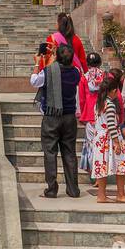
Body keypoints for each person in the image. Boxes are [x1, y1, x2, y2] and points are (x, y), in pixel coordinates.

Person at [30, 42, 82, 198]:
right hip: (69, 117)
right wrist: (57, 56)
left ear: (56, 56)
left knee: (50, 153)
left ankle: (52, 189)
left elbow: (34, 81)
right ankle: (73, 189)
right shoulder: (76, 72)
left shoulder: (48, 71)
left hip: (52, 117)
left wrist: (36, 63)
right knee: (69, 153)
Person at [92, 71, 125, 203]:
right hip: (110, 139)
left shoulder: (99, 104)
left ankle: (101, 195)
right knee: (121, 166)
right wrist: (117, 142)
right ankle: (120, 194)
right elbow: (111, 125)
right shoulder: (110, 105)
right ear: (112, 91)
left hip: (100, 139)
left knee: (102, 166)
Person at [78, 51, 105, 177]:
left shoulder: (84, 77)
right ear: (99, 62)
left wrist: (81, 114)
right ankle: (101, 172)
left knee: (91, 143)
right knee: (101, 143)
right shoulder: (105, 76)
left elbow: (81, 98)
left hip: (89, 113)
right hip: (102, 112)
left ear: (87, 63)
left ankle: (93, 173)